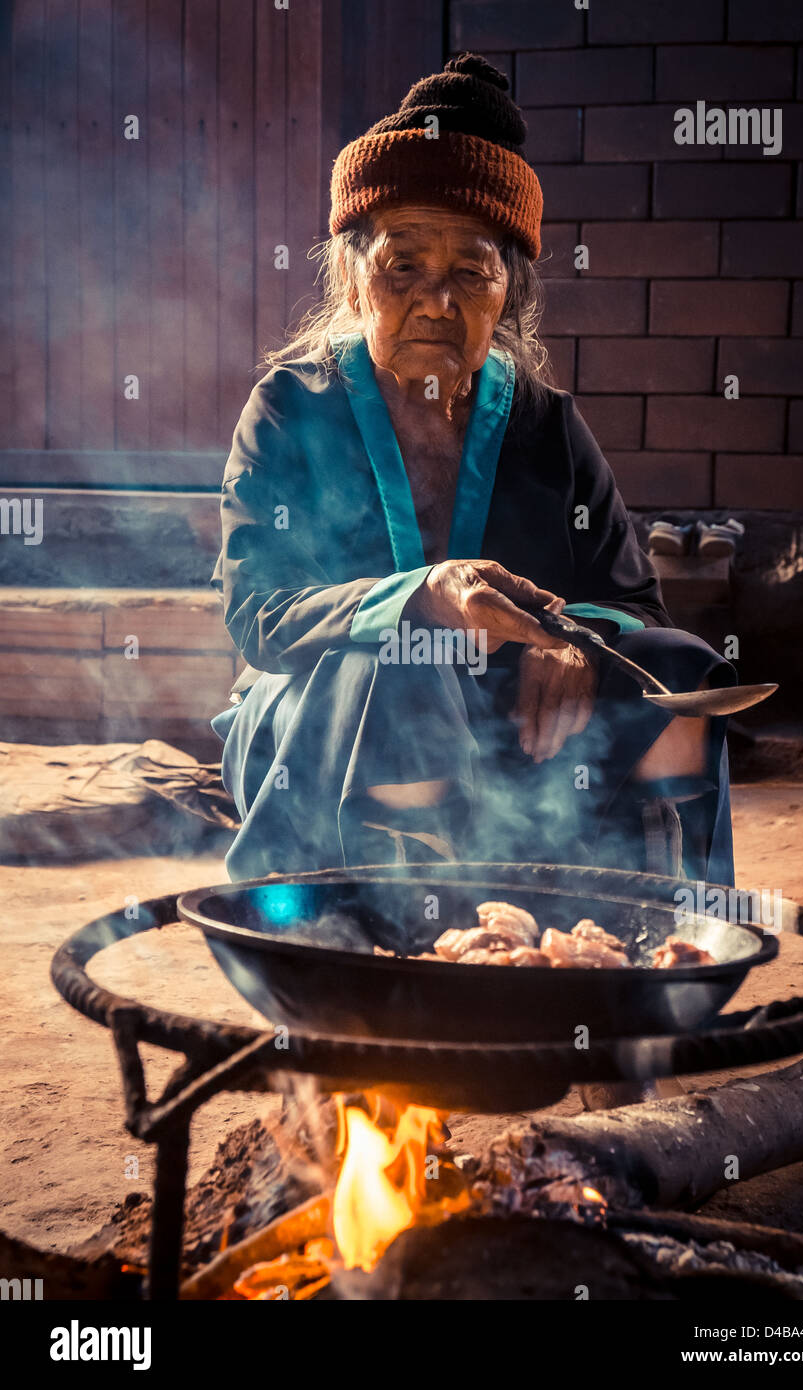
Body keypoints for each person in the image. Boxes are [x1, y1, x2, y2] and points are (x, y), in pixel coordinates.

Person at [210, 53, 736, 887]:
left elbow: (632, 599)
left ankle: (651, 917)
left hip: (508, 724)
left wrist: (577, 642)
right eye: (402, 266)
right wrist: (417, 598)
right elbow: (259, 615)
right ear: (352, 278)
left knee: (673, 666)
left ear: (511, 293)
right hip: (326, 715)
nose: (436, 300)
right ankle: (384, 928)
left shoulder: (542, 422)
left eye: (471, 272)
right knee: (399, 668)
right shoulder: (289, 411)